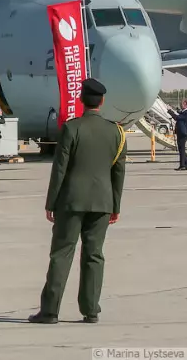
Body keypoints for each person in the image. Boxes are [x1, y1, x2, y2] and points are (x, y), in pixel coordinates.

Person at [29, 78, 126, 325]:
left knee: (62, 254)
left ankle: (50, 311)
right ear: (102, 102)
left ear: (81, 100)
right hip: (102, 203)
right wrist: (115, 206)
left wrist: (51, 202)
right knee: (94, 255)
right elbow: (118, 173)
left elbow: (59, 168)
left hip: (71, 202)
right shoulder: (117, 132)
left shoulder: (71, 129)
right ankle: (91, 309)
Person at [169, 99, 187, 171]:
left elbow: (177, 117)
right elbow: (178, 114)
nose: (180, 105)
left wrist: (170, 111)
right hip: (181, 133)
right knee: (182, 149)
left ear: (185, 104)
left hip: (183, 133)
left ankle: (182, 165)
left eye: (181, 104)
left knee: (181, 150)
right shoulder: (184, 112)